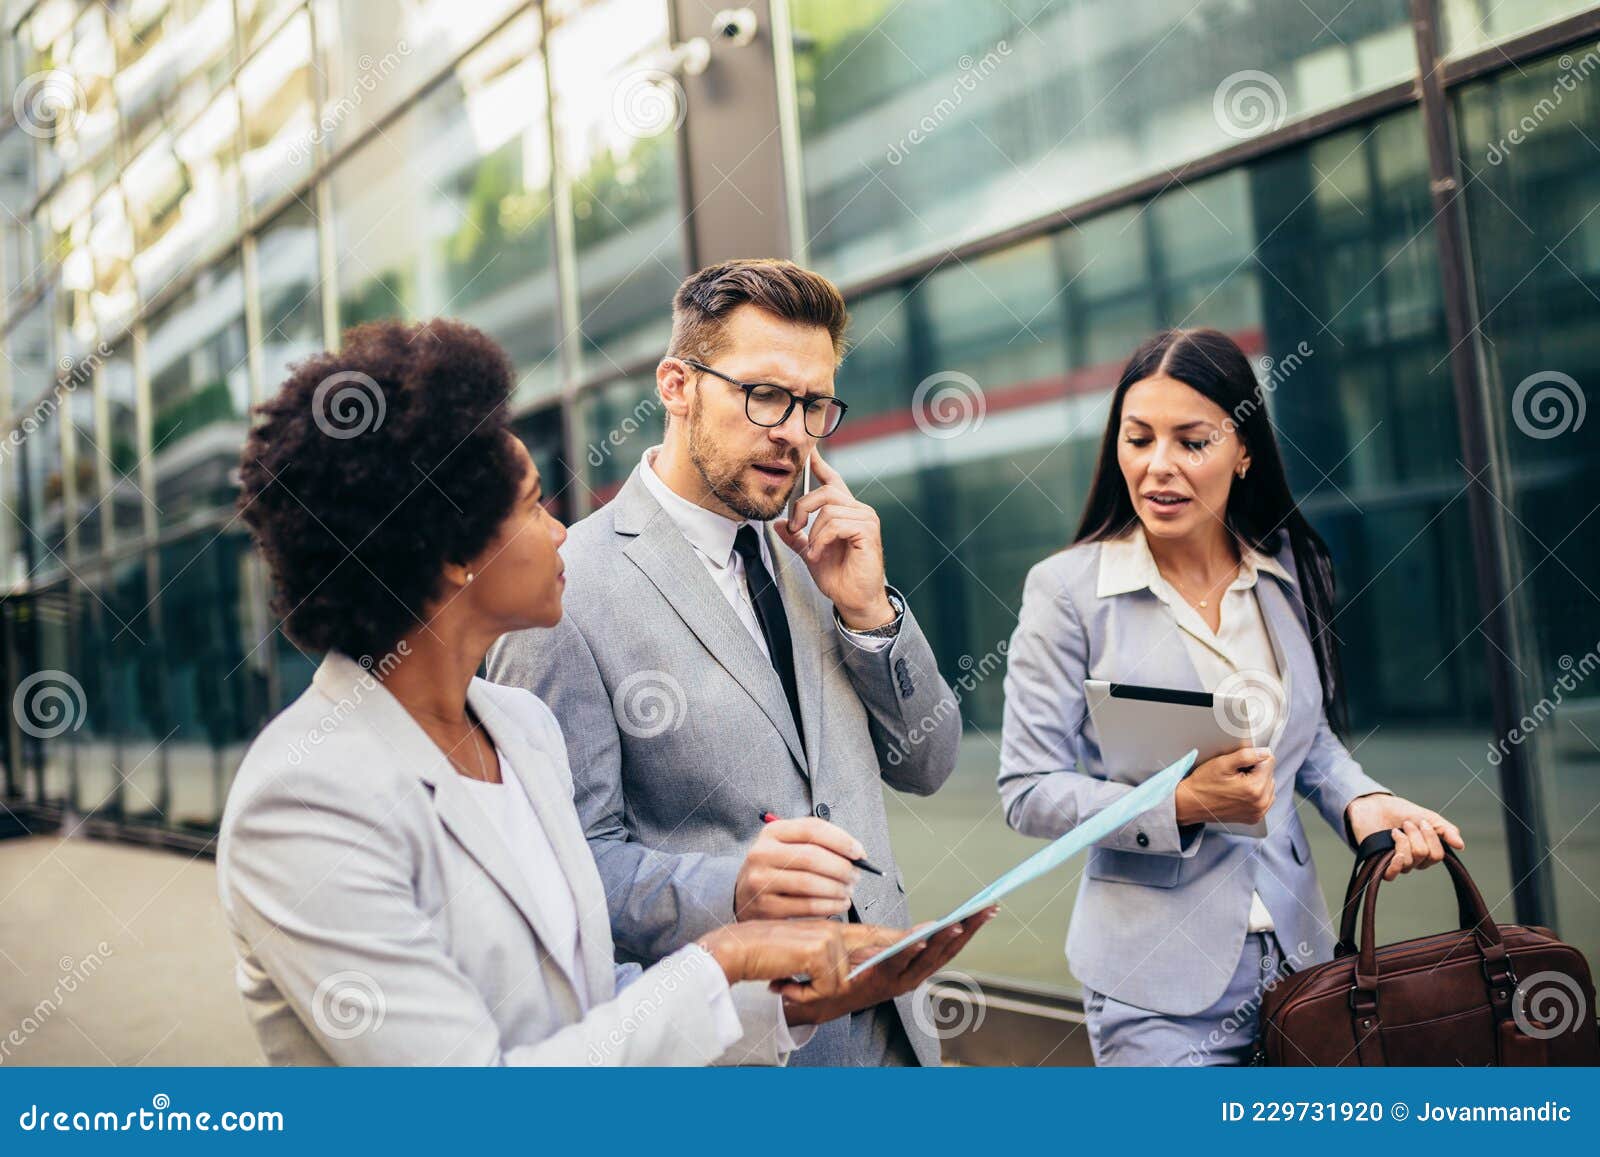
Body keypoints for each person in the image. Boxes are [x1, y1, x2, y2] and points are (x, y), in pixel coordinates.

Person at [217, 318, 991, 1066]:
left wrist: (781, 999)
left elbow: (592, 993)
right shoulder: (303, 797)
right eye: (530, 505)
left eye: (813, 403)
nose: (558, 530)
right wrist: (728, 948)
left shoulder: (518, 731)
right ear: (451, 551)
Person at [488, 259, 964, 1066]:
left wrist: (870, 611)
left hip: (894, 1037)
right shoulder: (564, 590)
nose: (794, 430)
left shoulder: (822, 552)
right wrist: (733, 885)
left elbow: (929, 764)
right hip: (738, 1058)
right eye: (765, 395)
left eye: (814, 404)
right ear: (677, 386)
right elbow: (563, 873)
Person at [997, 327, 1462, 1066]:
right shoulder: (1068, 592)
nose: (1158, 467)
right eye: (1138, 438)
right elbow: (1028, 791)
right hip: (1153, 991)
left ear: (1243, 450)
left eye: (1192, 440)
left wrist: (1358, 799)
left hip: (1300, 967)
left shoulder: (1290, 569)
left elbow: (1306, 741)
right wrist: (1183, 803)